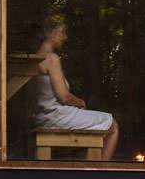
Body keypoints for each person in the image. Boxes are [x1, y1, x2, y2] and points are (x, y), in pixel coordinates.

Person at [29, 21, 119, 159]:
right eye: (62, 32)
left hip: (42, 116)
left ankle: (87, 164)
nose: (65, 37)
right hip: (56, 116)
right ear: (50, 34)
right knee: (112, 124)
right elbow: (64, 96)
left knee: (93, 125)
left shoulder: (34, 58)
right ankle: (100, 170)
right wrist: (80, 102)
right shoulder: (51, 58)